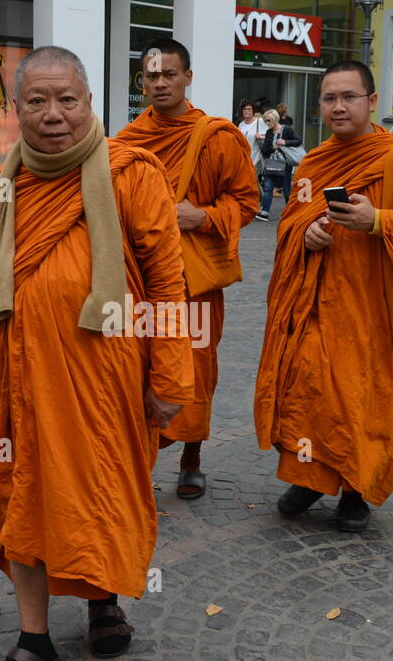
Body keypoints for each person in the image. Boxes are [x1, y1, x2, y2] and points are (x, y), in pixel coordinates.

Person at [0, 46, 193, 661]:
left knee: (101, 486)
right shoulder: (5, 182)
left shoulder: (130, 172)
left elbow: (168, 279)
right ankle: (34, 641)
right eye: (37, 102)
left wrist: (168, 374)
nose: (54, 115)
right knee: (21, 491)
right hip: (17, 375)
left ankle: (103, 601)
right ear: (17, 108)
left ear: (90, 103)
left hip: (106, 378)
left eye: (68, 101)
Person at [254, 60, 393, 533]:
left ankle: (355, 490)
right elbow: (289, 222)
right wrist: (305, 233)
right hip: (314, 301)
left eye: (349, 97)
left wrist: (379, 221)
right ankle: (309, 478)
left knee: (362, 395)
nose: (338, 106)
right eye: (329, 98)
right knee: (307, 388)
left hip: (372, 309)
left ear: (371, 102)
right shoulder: (312, 162)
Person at [115, 37, 256, 498]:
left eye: (168, 74)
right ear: (142, 81)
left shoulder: (216, 136)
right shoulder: (127, 141)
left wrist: (206, 217)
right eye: (151, 76)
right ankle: (140, 456)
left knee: (194, 366)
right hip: (140, 280)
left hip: (193, 281)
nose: (159, 83)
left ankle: (192, 455)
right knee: (139, 366)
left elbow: (247, 201)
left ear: (187, 78)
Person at [257, 107, 301, 220]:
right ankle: (265, 212)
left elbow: (298, 141)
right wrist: (274, 147)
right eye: (265, 121)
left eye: (268, 120)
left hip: (285, 165)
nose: (267, 123)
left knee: (286, 189)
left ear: (275, 119)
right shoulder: (268, 132)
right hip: (271, 163)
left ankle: (290, 212)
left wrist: (285, 142)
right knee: (268, 187)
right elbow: (265, 151)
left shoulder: (287, 130)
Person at [238, 100, 267, 172]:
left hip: (256, 159)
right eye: (244, 109)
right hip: (243, 160)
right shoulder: (241, 125)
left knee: (253, 181)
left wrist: (261, 137)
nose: (246, 111)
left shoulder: (259, 121)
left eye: (248, 109)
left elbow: (270, 135)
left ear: (253, 111)